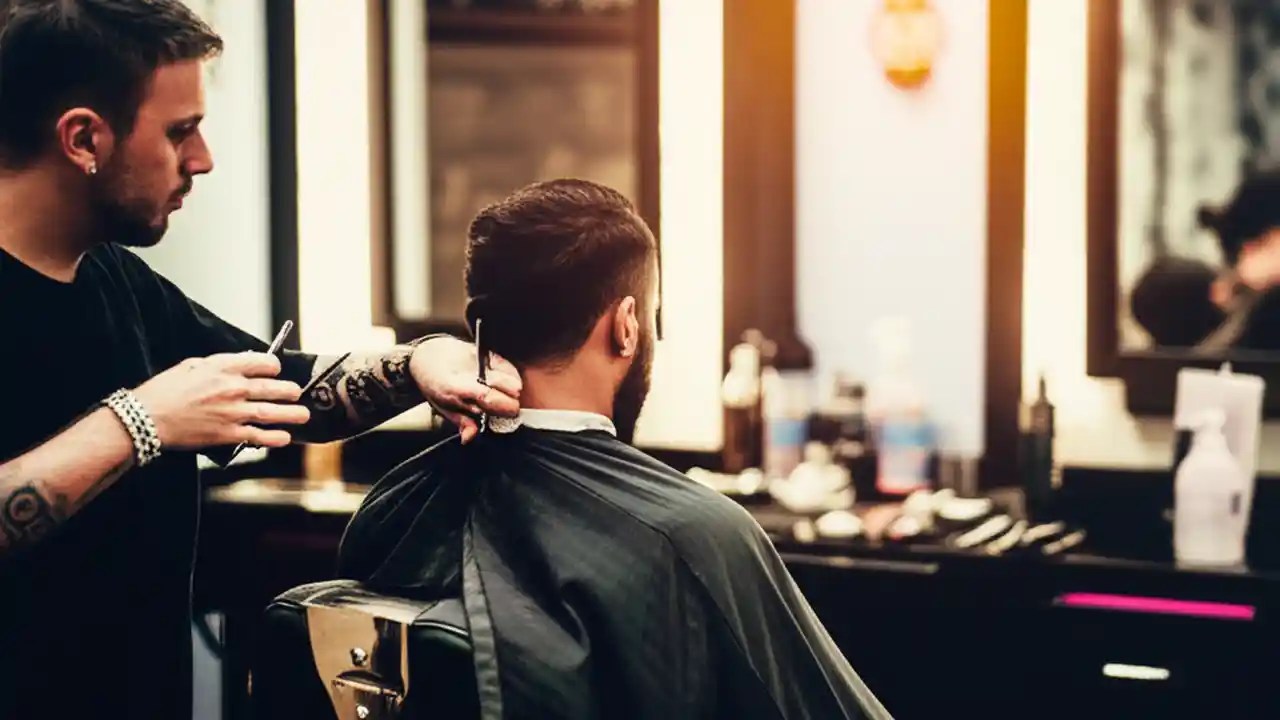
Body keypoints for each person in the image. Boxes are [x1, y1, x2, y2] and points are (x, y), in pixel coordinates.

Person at [0, 1, 520, 717]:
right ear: (83, 137)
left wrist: (418, 365)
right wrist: (140, 422)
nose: (202, 160)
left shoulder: (119, 284)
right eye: (180, 132)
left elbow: (293, 392)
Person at [336, 179, 888, 719]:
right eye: (647, 315)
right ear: (626, 326)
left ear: (477, 327)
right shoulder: (693, 534)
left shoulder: (395, 506)